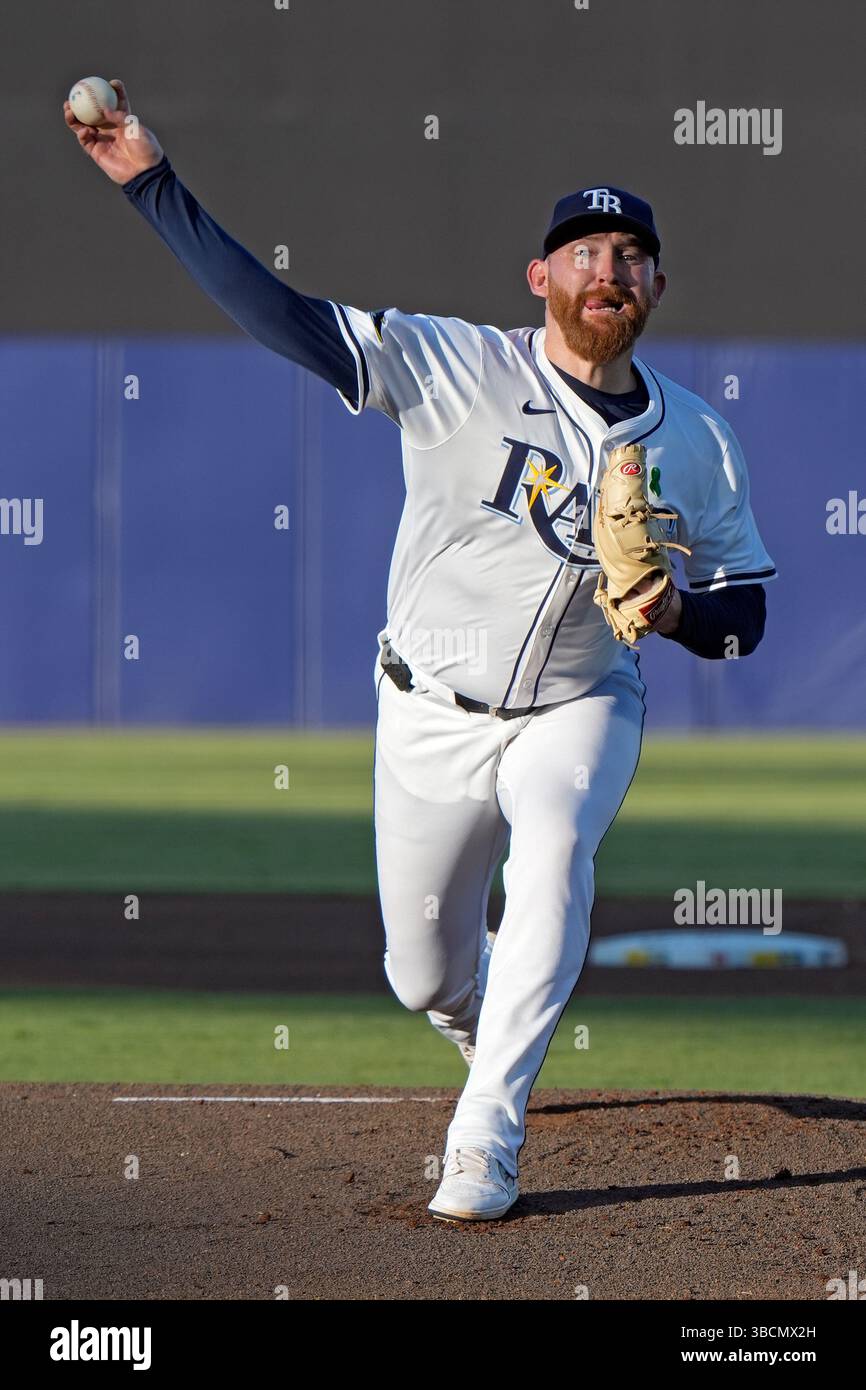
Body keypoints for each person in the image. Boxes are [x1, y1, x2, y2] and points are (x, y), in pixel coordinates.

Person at [65, 82, 776, 1222]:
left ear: (654, 286)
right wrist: (151, 183)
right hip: (428, 709)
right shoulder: (454, 366)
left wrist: (681, 617)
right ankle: (480, 1022)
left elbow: (743, 610)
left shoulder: (695, 439)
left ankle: (485, 1135)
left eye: (632, 253)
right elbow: (282, 317)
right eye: (585, 250)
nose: (610, 268)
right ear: (537, 279)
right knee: (423, 975)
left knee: (551, 854)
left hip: (580, 700)